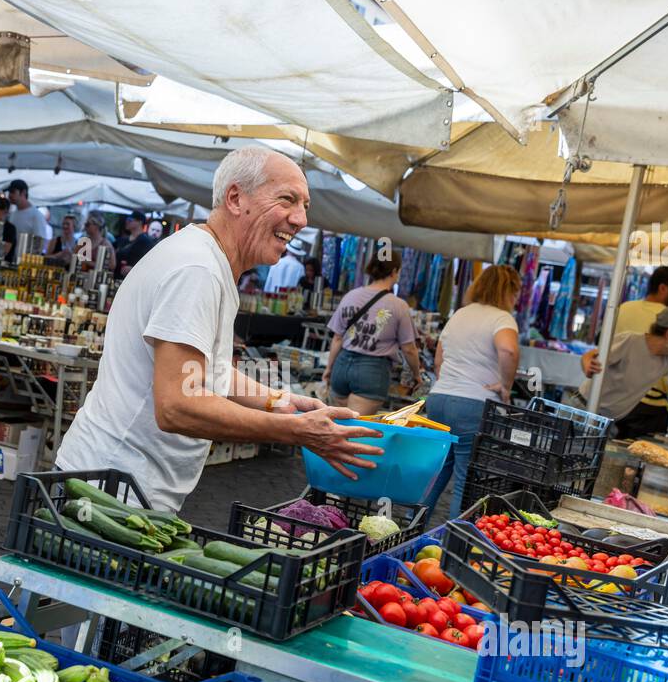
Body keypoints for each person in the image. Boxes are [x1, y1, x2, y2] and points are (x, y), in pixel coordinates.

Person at [55, 145, 383, 511]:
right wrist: (295, 431)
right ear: (235, 198)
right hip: (108, 490)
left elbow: (207, 372)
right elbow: (177, 405)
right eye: (288, 200)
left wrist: (281, 402)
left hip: (119, 485)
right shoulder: (198, 270)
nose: (301, 219)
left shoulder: (207, 261)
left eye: (305, 205)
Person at [422, 265, 522, 514]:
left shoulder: (460, 314)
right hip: (473, 404)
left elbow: (438, 360)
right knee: (465, 481)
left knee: (436, 473)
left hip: (439, 399)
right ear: (509, 291)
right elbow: (508, 350)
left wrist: (450, 383)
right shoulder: (502, 318)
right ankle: (452, 546)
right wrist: (505, 386)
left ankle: (410, 534)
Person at [579, 306, 668, 436]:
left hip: (607, 423)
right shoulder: (630, 341)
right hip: (583, 410)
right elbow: (590, 355)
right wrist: (588, 364)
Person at [322, 253, 422, 417]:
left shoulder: (350, 296)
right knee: (354, 431)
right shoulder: (398, 306)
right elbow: (409, 349)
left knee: (336, 426)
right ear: (394, 271)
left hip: (341, 366)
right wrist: (416, 374)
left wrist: (328, 368)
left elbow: (337, 338)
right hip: (372, 371)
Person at [612, 265, 668, 437]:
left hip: (617, 398)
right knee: (641, 459)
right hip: (649, 404)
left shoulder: (624, 308)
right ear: (662, 288)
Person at [5, 179, 48, 257]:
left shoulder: (36, 215)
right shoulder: (13, 214)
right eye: (9, 192)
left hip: (24, 264)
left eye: (13, 191)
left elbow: (39, 244)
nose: (10, 195)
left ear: (23, 192)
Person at [114, 210, 157, 278]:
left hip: (131, 280)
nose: (127, 221)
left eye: (130, 220)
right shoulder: (122, 240)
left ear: (139, 222)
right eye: (127, 219)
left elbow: (151, 265)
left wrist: (133, 269)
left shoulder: (146, 242)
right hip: (116, 278)